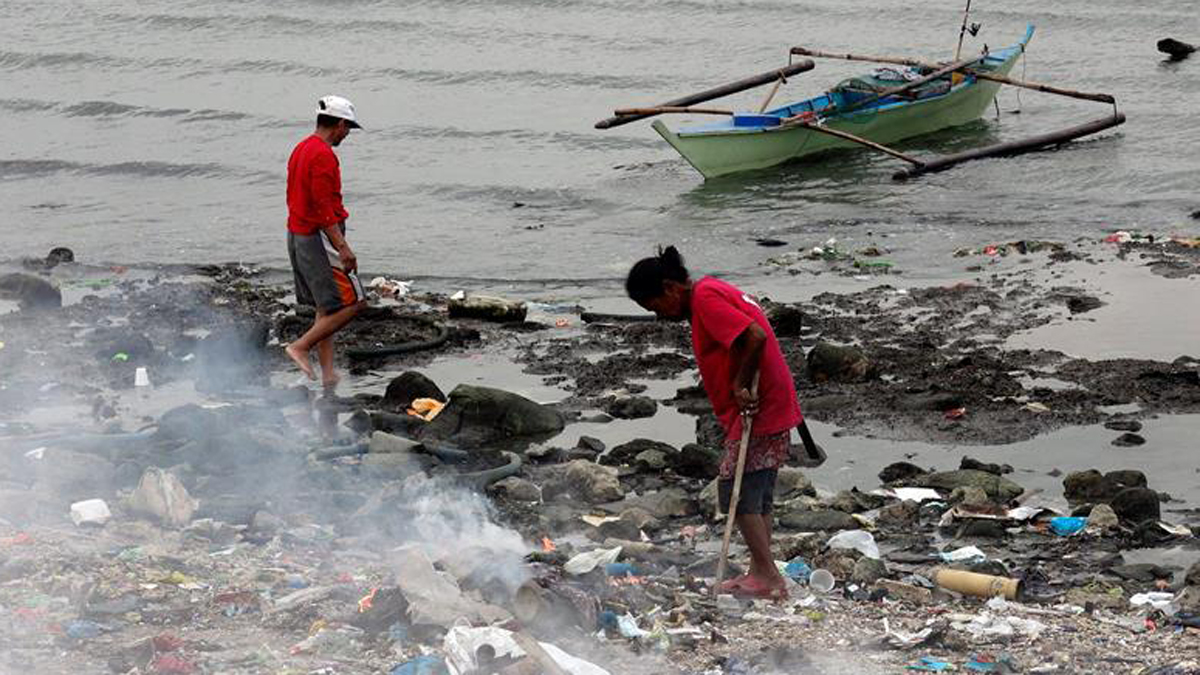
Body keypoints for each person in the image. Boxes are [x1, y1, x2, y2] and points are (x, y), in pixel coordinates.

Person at [626, 246, 802, 599]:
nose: (660, 316)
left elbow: (754, 336)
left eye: (655, 306)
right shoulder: (710, 291)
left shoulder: (705, 299)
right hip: (770, 401)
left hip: (758, 405)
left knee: (736, 491)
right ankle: (760, 572)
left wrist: (740, 383)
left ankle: (767, 576)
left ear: (670, 288)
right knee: (759, 490)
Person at [284, 95, 366, 388]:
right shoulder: (323, 154)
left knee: (326, 305)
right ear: (340, 124)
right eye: (349, 129)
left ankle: (328, 374)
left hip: (298, 233)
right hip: (320, 237)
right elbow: (322, 206)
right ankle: (300, 346)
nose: (348, 134)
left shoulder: (301, 148)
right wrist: (343, 247)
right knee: (355, 302)